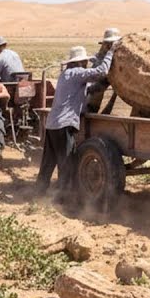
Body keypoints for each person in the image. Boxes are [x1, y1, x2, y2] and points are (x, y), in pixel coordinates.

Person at [38, 43, 114, 194]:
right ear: (80, 62)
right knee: (66, 163)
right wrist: (110, 52)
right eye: (85, 61)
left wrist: (103, 85)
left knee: (48, 162)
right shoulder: (77, 73)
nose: (86, 63)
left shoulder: (65, 75)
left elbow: (89, 89)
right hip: (64, 125)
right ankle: (64, 198)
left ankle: (38, 193)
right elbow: (102, 70)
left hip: (52, 124)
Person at [85, 28, 121, 113]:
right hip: (91, 97)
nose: (109, 46)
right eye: (108, 44)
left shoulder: (113, 55)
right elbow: (101, 72)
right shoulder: (102, 56)